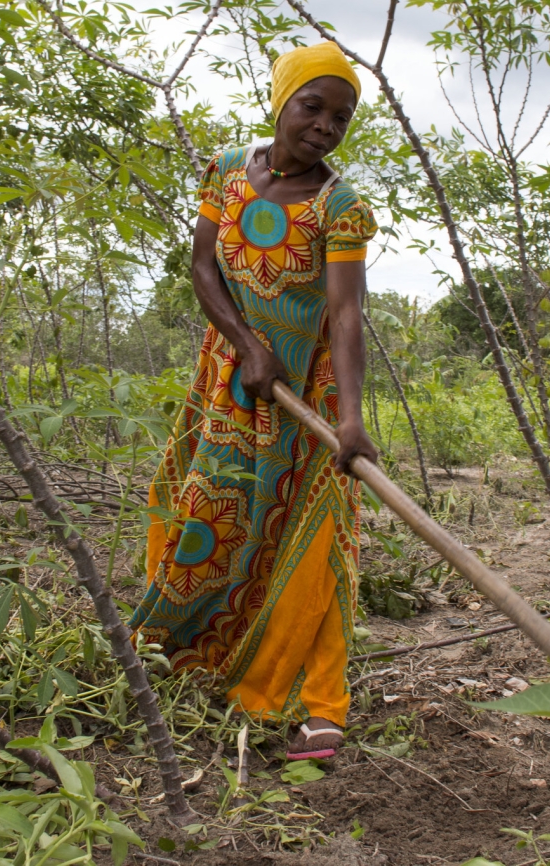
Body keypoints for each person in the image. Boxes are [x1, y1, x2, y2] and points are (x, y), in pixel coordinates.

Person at [130, 41, 378, 760]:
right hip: (230, 380)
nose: (326, 126)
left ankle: (320, 702)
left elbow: (349, 316)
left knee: (314, 542)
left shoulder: (342, 207)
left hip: (308, 394)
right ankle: (180, 655)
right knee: (199, 507)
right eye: (313, 107)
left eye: (342, 116)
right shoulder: (229, 172)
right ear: (281, 101)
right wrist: (246, 343)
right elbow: (202, 266)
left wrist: (351, 419)